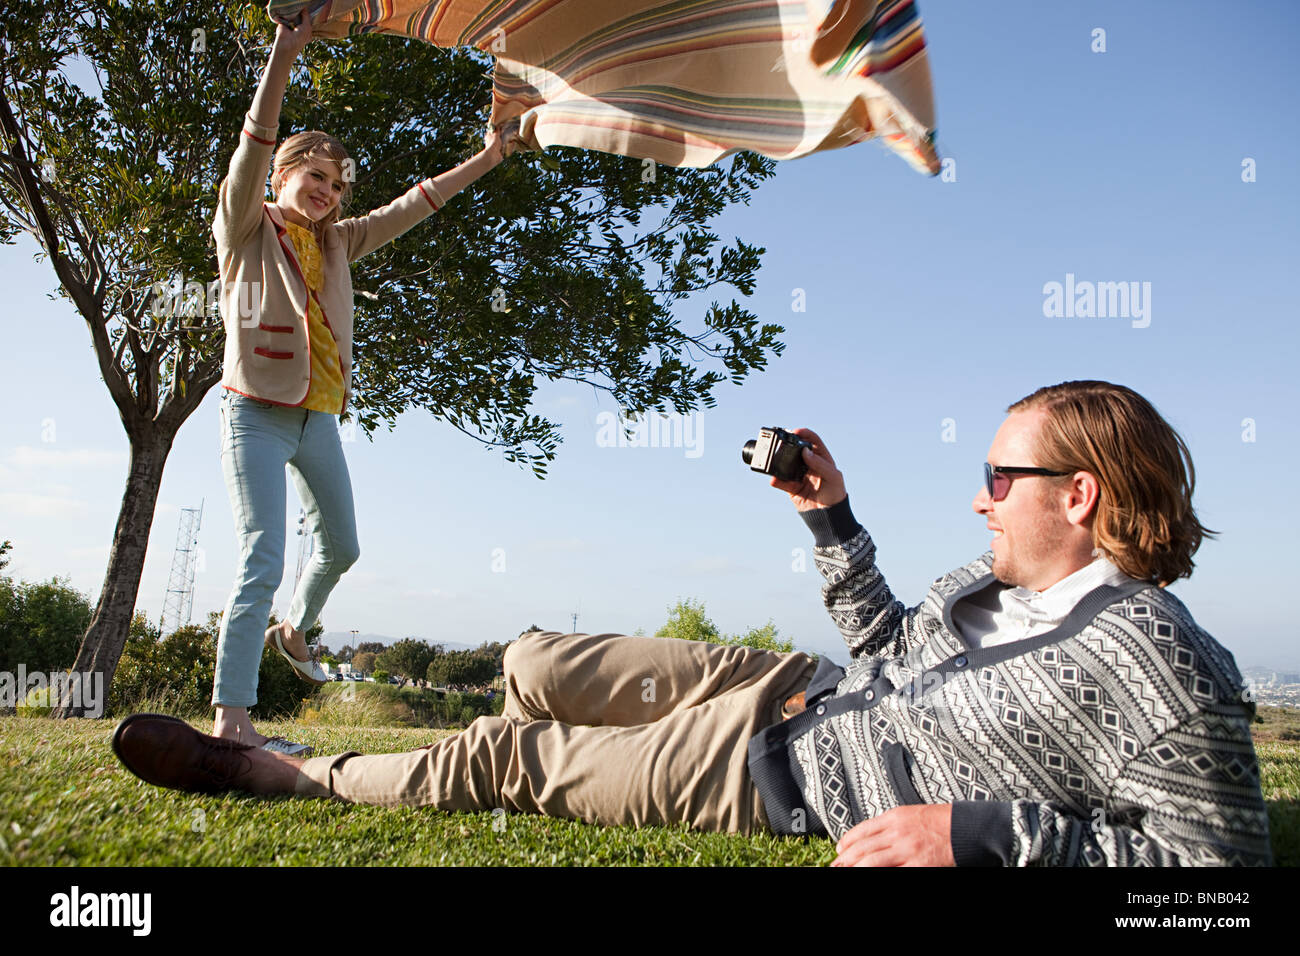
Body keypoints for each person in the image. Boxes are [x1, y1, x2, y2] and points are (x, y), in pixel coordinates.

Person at [115, 381, 1273, 866]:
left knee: (507, 752)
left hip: (775, 766)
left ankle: (279, 772)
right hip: (791, 678)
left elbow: (1213, 878)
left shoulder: (1163, 665)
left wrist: (979, 838)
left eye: (997, 473)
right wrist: (833, 517)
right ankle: (509, 763)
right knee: (530, 655)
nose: (979, 495)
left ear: (1077, 494)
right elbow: (882, 646)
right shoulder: (988, 582)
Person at [210, 9, 512, 755]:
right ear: (285, 176)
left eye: (339, 186)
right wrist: (288, 46)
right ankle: (233, 720)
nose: (329, 193)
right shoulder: (246, 224)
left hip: (317, 418)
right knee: (262, 558)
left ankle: (296, 628)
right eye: (316, 177)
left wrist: (490, 156)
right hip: (253, 412)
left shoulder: (339, 240)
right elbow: (254, 140)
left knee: (341, 547)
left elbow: (417, 204)